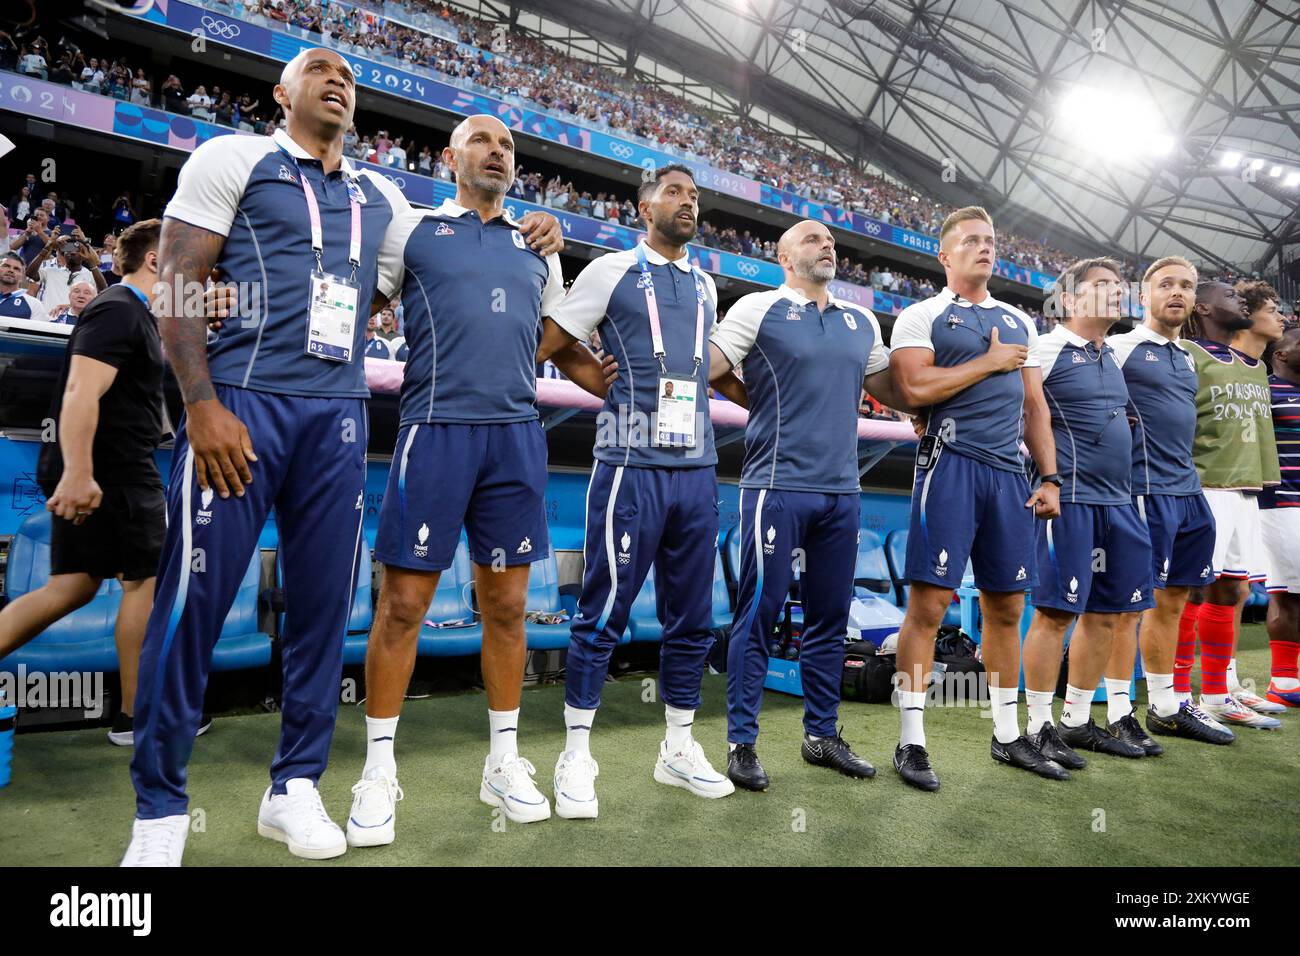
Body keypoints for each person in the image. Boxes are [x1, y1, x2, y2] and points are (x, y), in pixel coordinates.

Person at [121, 48, 413, 867]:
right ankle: (160, 809)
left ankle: (293, 788)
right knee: (193, 608)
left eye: (351, 76)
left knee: (324, 612)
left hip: (341, 419)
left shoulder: (382, 196)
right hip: (242, 410)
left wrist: (540, 228)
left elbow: (380, 291)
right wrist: (202, 404)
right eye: (319, 68)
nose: (338, 80)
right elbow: (179, 280)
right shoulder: (234, 156)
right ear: (281, 92)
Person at [347, 114, 579, 845]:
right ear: (450, 157)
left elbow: (551, 337)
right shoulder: (410, 230)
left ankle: (503, 761)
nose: (497, 153)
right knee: (405, 604)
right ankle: (378, 769)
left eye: (508, 147)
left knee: (508, 607)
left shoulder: (537, 245)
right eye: (483, 141)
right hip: (434, 431)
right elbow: (360, 310)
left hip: (515, 439)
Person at [535, 164, 741, 817]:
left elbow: (700, 365)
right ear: (645, 205)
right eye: (676, 192)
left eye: (695, 195)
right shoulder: (609, 271)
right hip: (630, 463)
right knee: (604, 611)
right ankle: (576, 756)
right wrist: (594, 380)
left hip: (696, 469)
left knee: (693, 617)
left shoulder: (706, 283)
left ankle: (678, 748)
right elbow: (550, 340)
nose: (688, 203)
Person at [709, 219, 909, 791]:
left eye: (831, 241)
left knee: (828, 617)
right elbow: (709, 368)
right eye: (813, 239)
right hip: (775, 486)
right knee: (760, 611)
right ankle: (741, 743)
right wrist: (753, 399)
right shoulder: (757, 308)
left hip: (843, 492)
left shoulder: (860, 320)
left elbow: (892, 389)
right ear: (784, 254)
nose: (827, 246)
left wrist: (942, 398)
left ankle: (821, 734)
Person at [0, 221, 199, 748]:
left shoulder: (141, 315)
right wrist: (79, 471)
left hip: (107, 465)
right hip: (110, 469)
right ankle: (138, 717)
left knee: (72, 586)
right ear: (156, 261)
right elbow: (81, 393)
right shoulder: (119, 308)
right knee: (146, 581)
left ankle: (136, 714)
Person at [887, 205, 1061, 792]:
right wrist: (987, 362)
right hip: (950, 465)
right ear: (945, 254)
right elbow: (913, 388)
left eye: (989, 241)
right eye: (971, 241)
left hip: (1009, 474)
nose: (985, 248)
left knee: (1007, 607)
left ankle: (1008, 736)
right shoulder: (921, 315)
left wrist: (1050, 476)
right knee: (930, 608)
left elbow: (1033, 406)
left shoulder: (1019, 321)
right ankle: (911, 742)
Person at [1018, 258, 1155, 767]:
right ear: (1071, 301)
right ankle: (1036, 726)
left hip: (1120, 503)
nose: (1117, 293)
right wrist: (1046, 479)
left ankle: (1076, 721)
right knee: (1056, 613)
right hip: (1069, 501)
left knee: (1111, 614)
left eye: (1119, 287)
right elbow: (1025, 413)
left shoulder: (1111, 356)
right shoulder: (1046, 347)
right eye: (1103, 287)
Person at [1102, 257, 1234, 746]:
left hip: (1188, 491)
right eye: (1166, 285)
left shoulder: (1187, 356)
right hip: (1143, 491)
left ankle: (1165, 705)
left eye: (1186, 286)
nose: (1176, 293)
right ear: (1144, 295)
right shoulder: (1120, 347)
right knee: (1129, 606)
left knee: (1175, 600)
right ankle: (1118, 712)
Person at [1174, 280, 1283, 729]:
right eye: (1230, 297)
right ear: (1204, 307)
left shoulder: (1254, 365)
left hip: (1246, 490)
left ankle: (1218, 693)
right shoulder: (1186, 354)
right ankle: (1178, 695)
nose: (1241, 302)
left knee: (1233, 589)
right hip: (1205, 486)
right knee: (1192, 591)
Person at [1258, 325, 1300, 707]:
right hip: (1283, 503)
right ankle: (1284, 683)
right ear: (1281, 354)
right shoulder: (1265, 391)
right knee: (1288, 593)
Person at [0, 251, 51, 322]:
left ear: (22, 276)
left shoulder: (34, 304)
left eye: (16, 269)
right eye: (6, 266)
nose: (11, 270)